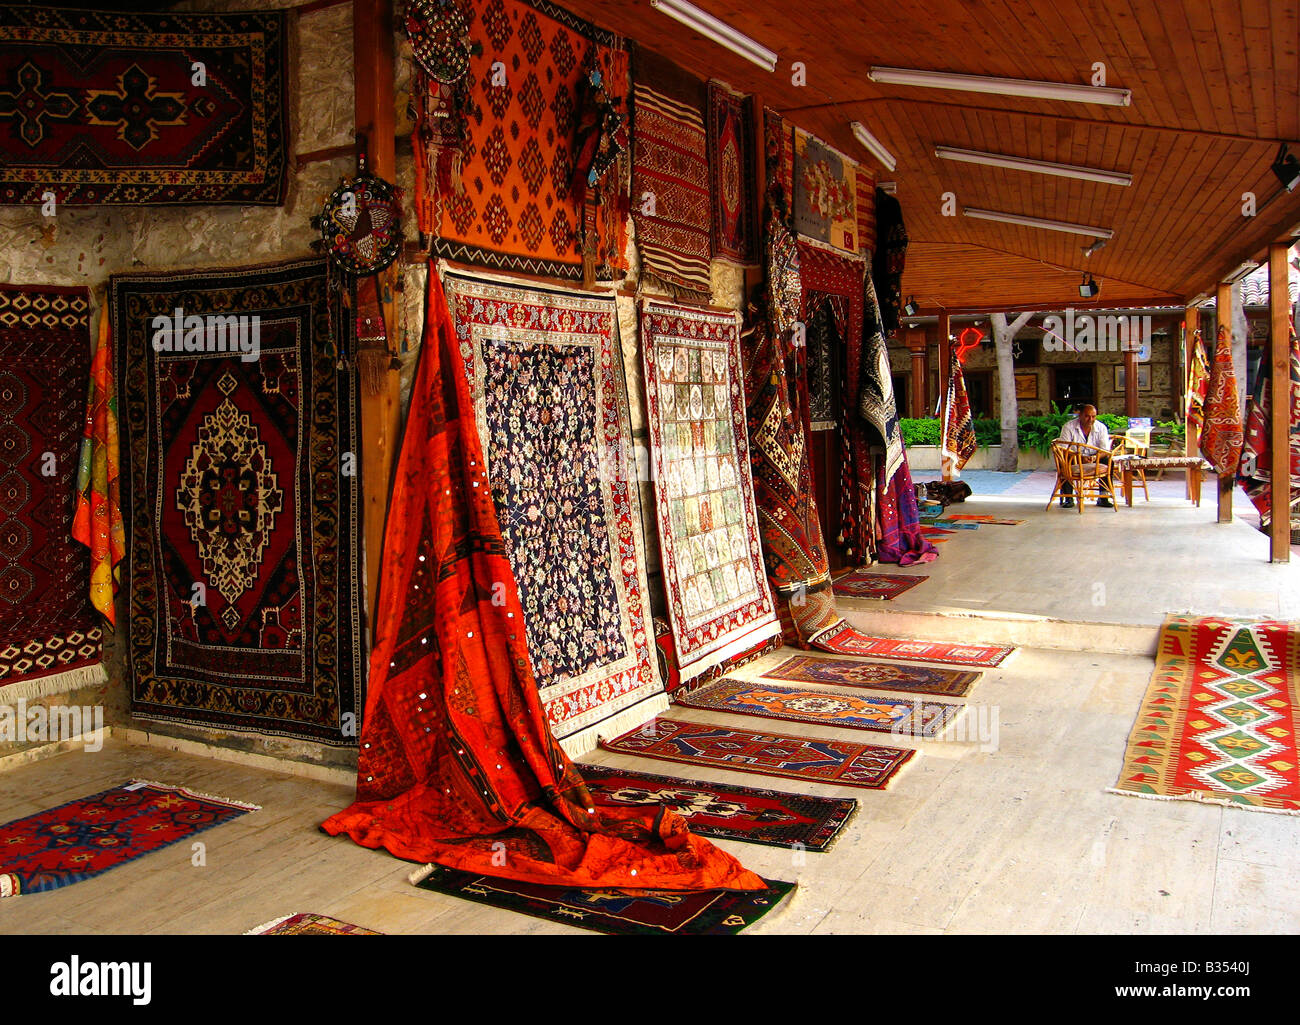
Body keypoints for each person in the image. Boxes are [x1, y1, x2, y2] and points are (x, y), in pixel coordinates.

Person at [1057, 404, 1112, 508]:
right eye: (1087, 416)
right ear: (1080, 415)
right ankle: (1068, 497)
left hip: (1094, 456)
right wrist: (1080, 457)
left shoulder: (1101, 428)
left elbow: (1105, 449)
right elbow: (1063, 448)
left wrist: (1095, 457)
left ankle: (1103, 497)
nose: (1090, 419)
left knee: (1108, 460)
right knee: (1064, 461)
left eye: (1093, 416)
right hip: (1073, 456)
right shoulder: (1068, 427)